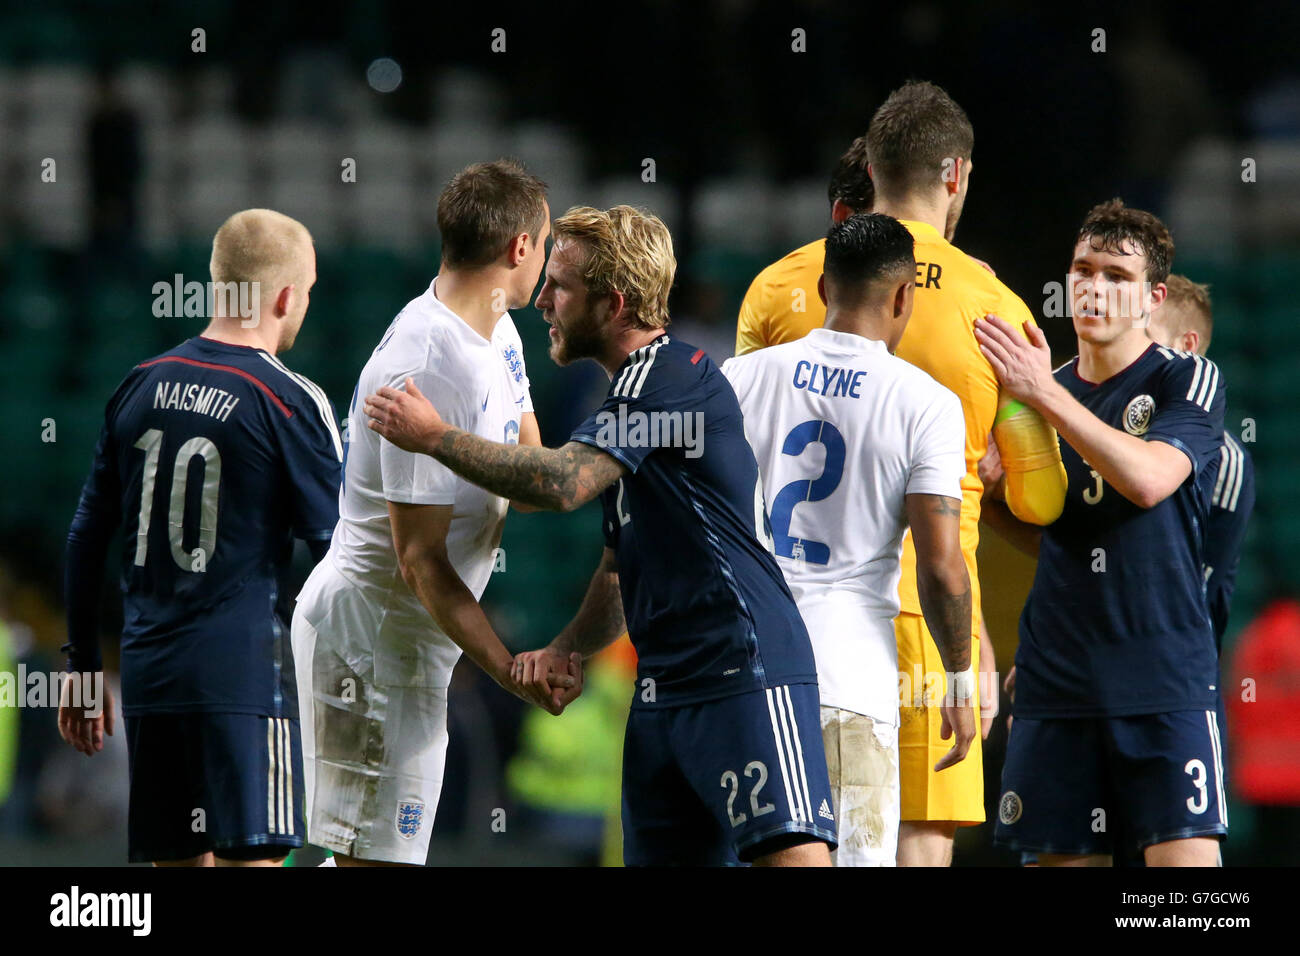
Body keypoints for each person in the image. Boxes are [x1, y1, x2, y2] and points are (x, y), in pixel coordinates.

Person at [365, 204, 837, 866]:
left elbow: (560, 483)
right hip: (664, 687)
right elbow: (617, 573)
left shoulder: (669, 377)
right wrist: (568, 649)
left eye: (561, 287)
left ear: (614, 304)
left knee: (792, 859)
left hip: (743, 667)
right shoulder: (622, 405)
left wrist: (435, 435)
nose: (543, 302)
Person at [290, 160, 575, 867]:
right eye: (543, 244)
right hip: (370, 643)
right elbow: (419, 559)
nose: (543, 262)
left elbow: (535, 476)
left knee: (348, 853)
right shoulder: (425, 360)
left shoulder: (499, 333)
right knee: (370, 858)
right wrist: (510, 670)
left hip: (408, 648)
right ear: (519, 250)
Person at [59, 209, 343, 866]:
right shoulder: (286, 399)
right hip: (242, 678)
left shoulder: (140, 383)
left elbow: (84, 538)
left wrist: (80, 668)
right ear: (284, 296)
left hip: (151, 674)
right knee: (254, 861)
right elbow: (340, 554)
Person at [979, 199, 1227, 866]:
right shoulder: (1041, 396)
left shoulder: (1187, 378)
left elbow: (1148, 481)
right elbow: (1059, 537)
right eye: (1084, 269)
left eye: (1118, 276)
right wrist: (994, 495)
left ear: (1154, 298)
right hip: (1057, 683)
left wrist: (1043, 398)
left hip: (1162, 679)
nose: (1094, 287)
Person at [721, 213, 975, 866]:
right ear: (902, 297)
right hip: (849, 683)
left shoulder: (741, 378)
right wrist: (958, 676)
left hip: (744, 673)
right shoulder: (925, 403)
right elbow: (942, 567)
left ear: (825, 286)